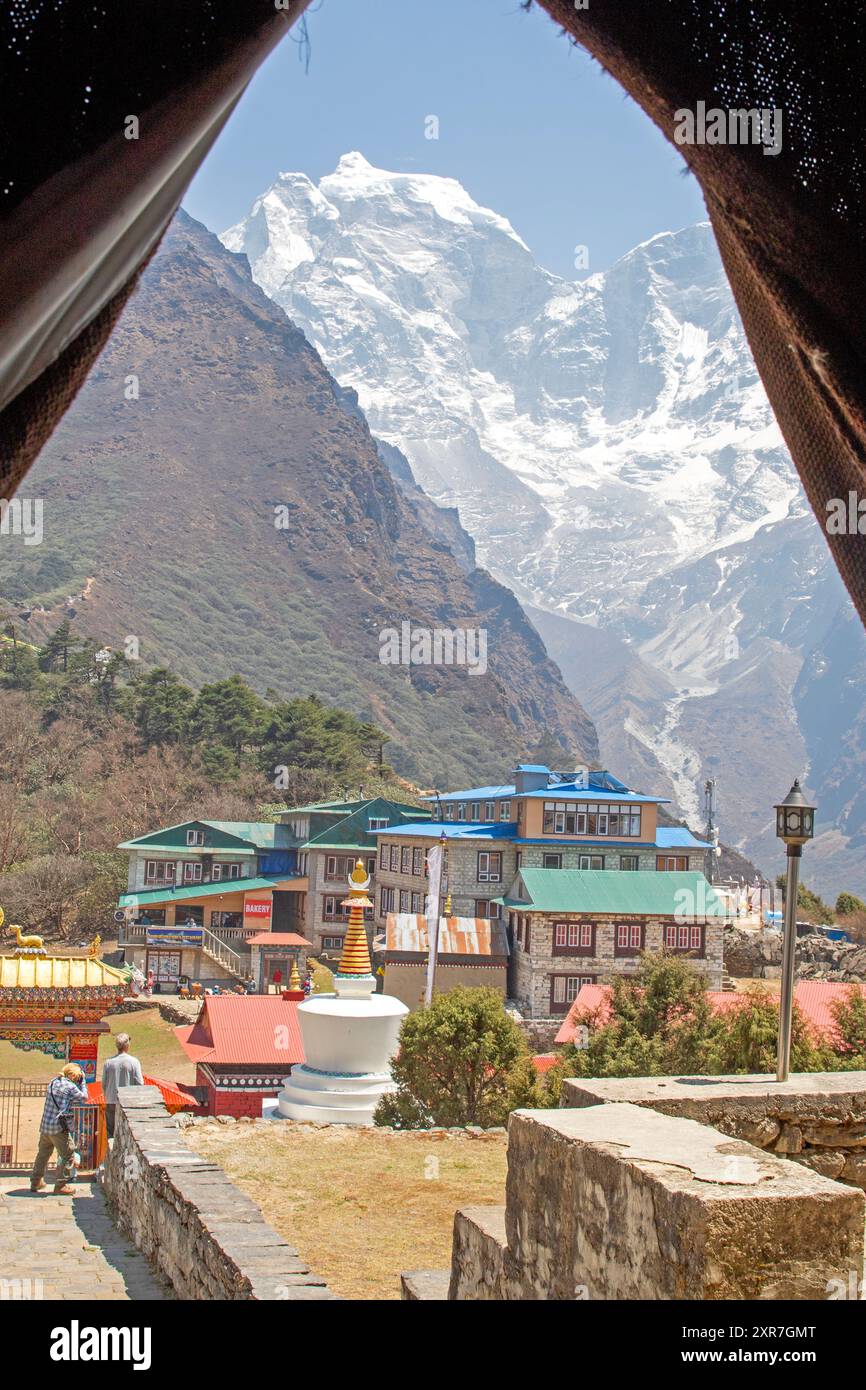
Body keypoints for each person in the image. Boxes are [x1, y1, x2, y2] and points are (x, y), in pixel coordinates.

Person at [31, 1063, 89, 1194]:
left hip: (45, 1126)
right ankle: (60, 1185)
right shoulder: (70, 1086)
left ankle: (35, 1182)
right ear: (73, 1075)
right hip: (58, 1127)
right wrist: (83, 1082)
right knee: (68, 1155)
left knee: (43, 1154)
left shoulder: (53, 1082)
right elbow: (84, 1097)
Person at [101, 1032, 144, 1138]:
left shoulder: (108, 1063)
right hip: (128, 1103)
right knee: (126, 1134)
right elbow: (140, 1083)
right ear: (127, 1045)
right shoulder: (134, 1062)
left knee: (111, 1134)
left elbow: (104, 1083)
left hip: (111, 1101)